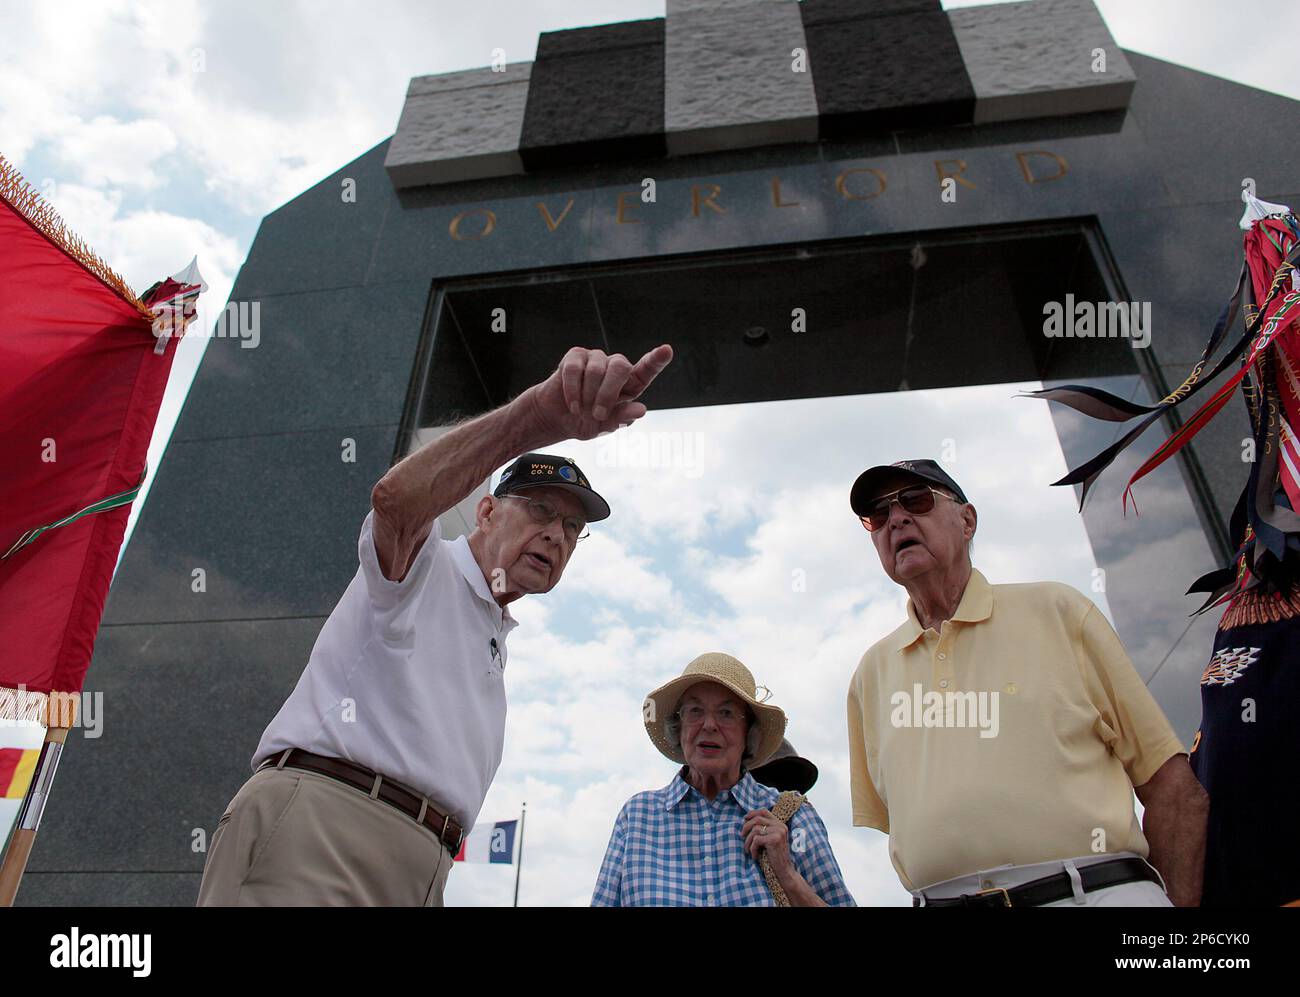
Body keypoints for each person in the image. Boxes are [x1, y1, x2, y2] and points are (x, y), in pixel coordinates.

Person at [197, 344, 673, 906]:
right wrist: (536, 417)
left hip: (424, 870)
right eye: (541, 511)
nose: (556, 535)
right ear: (488, 512)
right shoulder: (427, 565)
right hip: (326, 832)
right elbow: (394, 501)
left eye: (572, 528)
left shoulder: (495, 629)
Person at [846, 458, 1209, 907]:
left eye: (916, 501)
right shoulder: (870, 674)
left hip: (1091, 894)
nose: (896, 518)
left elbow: (1173, 789)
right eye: (877, 515)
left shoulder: (1058, 611)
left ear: (967, 520)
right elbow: (910, 825)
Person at [592, 652, 855, 907]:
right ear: (679, 727)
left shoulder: (793, 817)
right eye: (695, 711)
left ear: (748, 733)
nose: (709, 725)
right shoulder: (638, 816)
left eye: (726, 713)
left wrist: (786, 874)